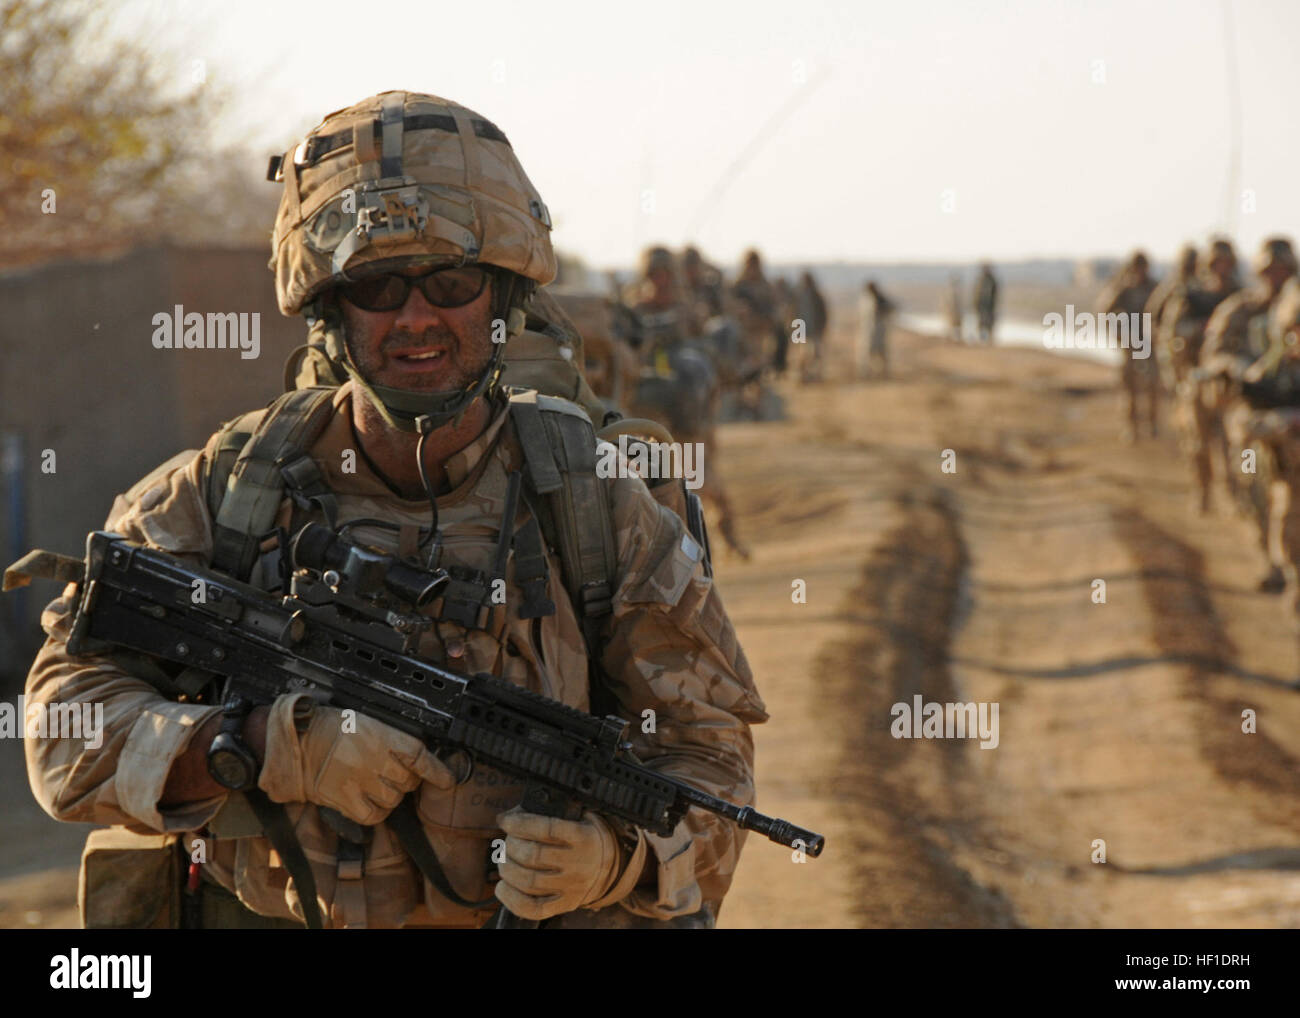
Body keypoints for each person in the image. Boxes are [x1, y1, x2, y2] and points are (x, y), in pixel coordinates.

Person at [23, 90, 766, 930]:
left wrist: (618, 858)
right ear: (332, 311)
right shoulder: (227, 493)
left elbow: (715, 766)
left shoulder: (593, 504)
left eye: (450, 281)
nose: (417, 318)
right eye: (377, 287)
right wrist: (264, 746)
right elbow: (63, 725)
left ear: (500, 302)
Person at [1200, 236, 1299, 590]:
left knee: (1288, 495)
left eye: (1282, 270)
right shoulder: (1240, 309)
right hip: (1248, 420)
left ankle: (1288, 568)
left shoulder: (1294, 311)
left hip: (1288, 421)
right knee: (1252, 488)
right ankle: (1270, 561)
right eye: (1270, 270)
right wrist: (1240, 370)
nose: (1276, 276)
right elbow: (1214, 355)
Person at [1098, 251, 1159, 441]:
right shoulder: (1123, 289)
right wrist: (1119, 333)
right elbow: (1106, 310)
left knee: (1152, 386)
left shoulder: (1155, 288)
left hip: (1149, 346)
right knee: (1129, 388)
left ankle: (1152, 425)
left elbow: (1164, 311)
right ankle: (1132, 427)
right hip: (1130, 345)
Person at [794, 270, 829, 381]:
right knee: (802, 355)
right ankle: (803, 375)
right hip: (800, 329)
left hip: (814, 329)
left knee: (815, 354)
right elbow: (793, 313)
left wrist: (821, 328)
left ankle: (816, 375)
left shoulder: (816, 296)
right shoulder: (798, 295)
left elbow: (823, 313)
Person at [859, 280, 896, 380]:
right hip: (869, 330)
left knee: (881, 352)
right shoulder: (866, 299)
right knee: (867, 351)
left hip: (880, 329)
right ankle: (866, 372)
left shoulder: (881, 299)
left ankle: (884, 372)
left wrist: (883, 312)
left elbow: (892, 308)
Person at [974, 263, 998, 345]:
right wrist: (976, 305)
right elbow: (976, 294)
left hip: (989, 307)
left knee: (989, 325)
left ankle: (989, 342)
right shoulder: (980, 280)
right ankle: (981, 341)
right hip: (981, 306)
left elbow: (995, 294)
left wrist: (993, 306)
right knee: (981, 325)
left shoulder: (992, 280)